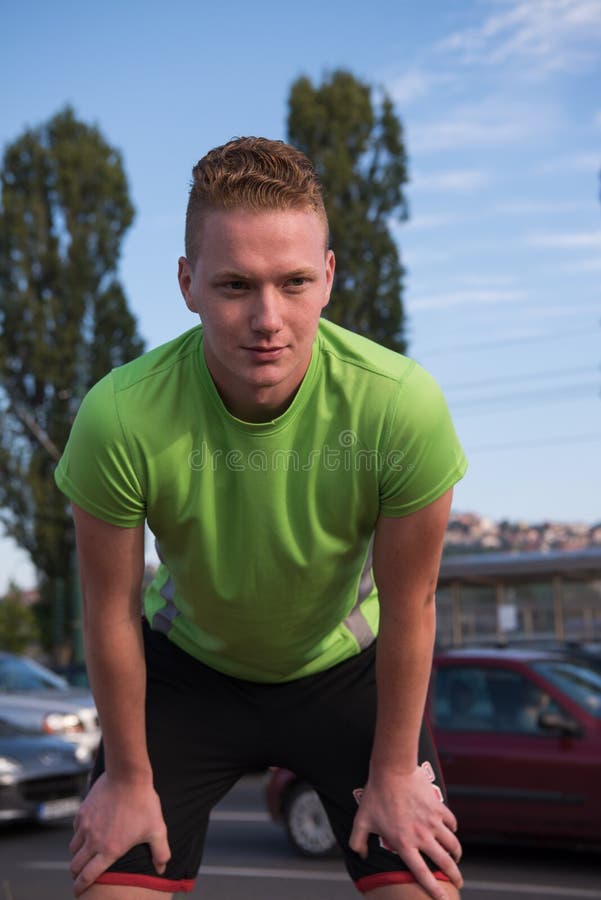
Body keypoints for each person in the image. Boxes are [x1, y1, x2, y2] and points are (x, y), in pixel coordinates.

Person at [55, 136, 468, 900]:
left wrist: (391, 774)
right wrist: (128, 778)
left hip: (346, 674)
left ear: (329, 277)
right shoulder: (119, 416)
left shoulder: (399, 405)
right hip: (187, 674)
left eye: (294, 282)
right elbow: (109, 611)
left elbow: (411, 604)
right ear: (188, 283)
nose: (267, 318)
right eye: (235, 285)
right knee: (106, 884)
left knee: (422, 884)